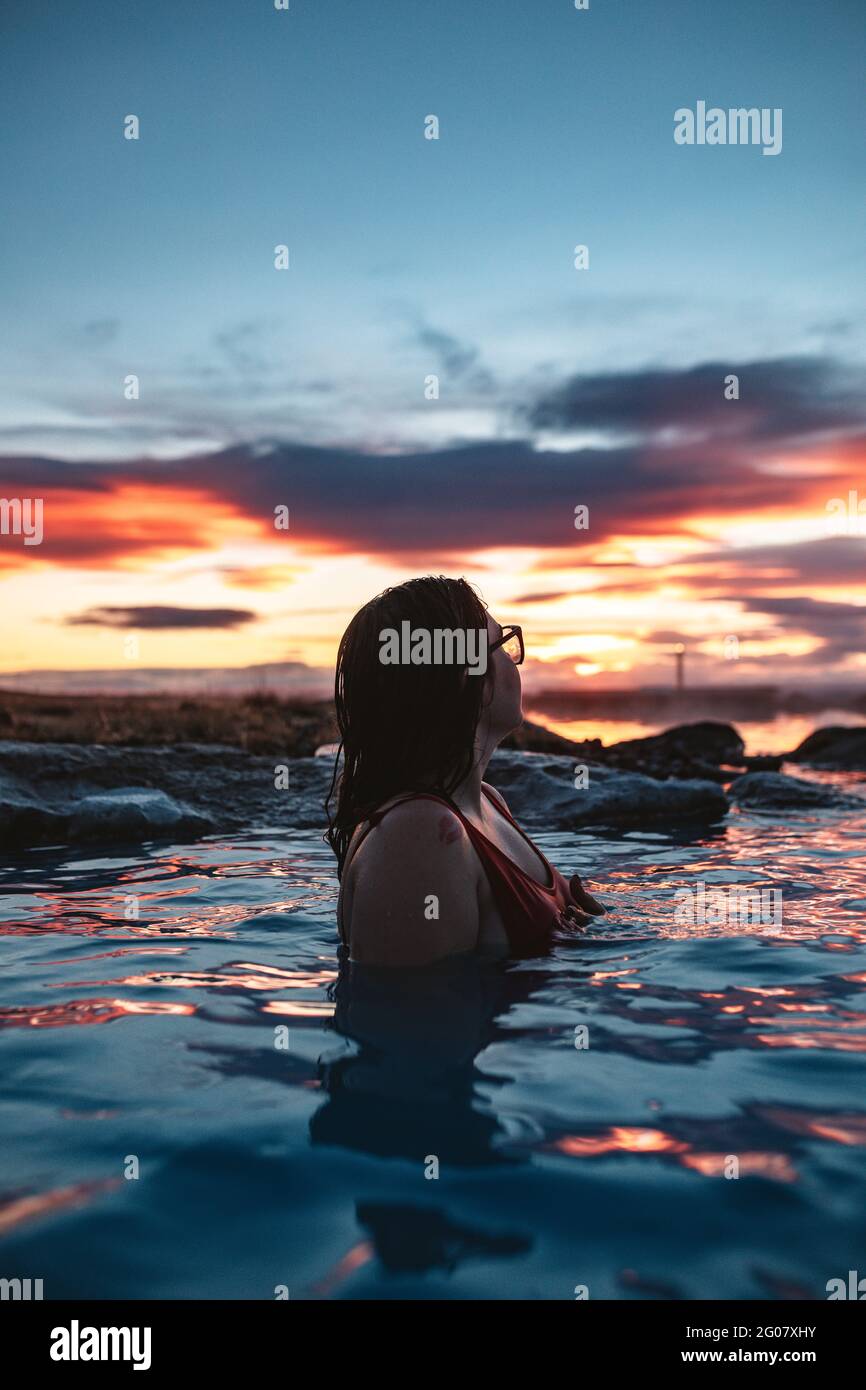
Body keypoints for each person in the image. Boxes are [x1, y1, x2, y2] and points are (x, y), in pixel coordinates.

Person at [326, 575, 604, 965]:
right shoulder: (419, 834)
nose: (514, 659)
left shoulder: (488, 802)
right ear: (470, 677)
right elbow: (404, 1016)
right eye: (503, 645)